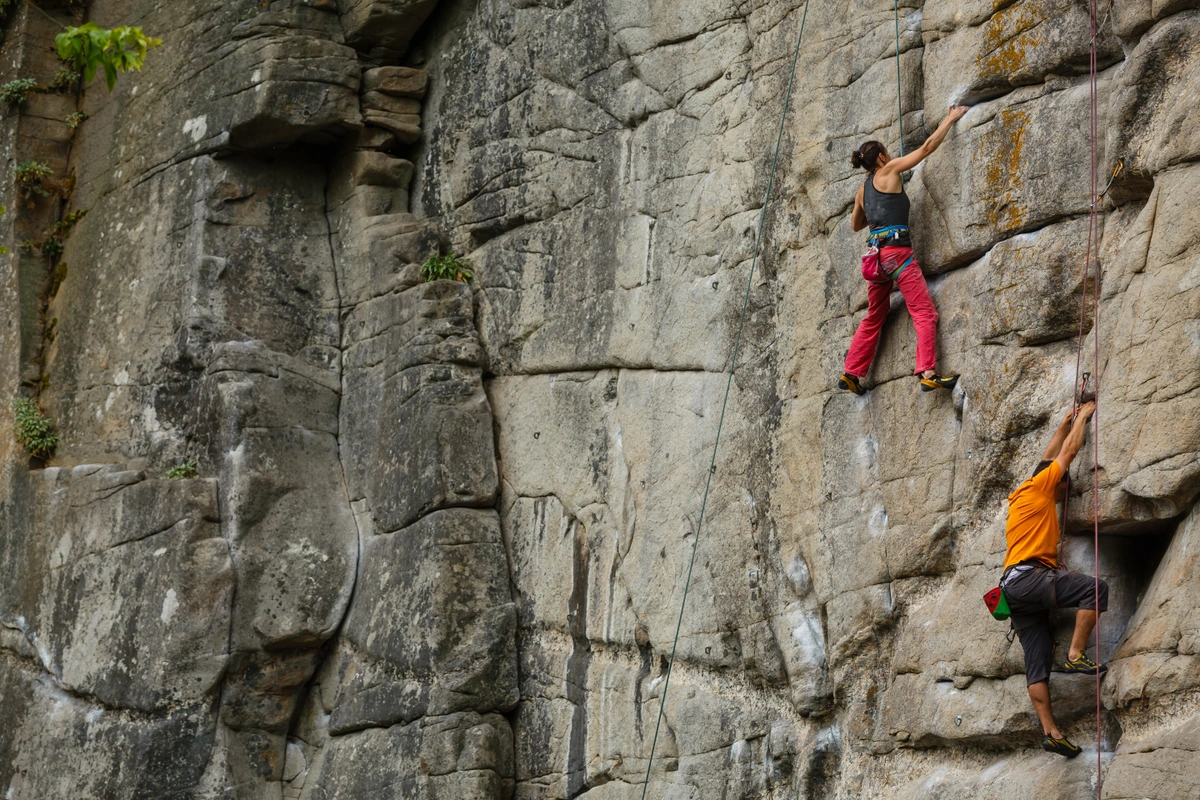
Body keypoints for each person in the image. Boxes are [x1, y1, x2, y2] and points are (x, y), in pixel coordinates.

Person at [837, 105, 969, 395]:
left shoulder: (862, 190)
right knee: (924, 312)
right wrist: (949, 119)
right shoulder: (891, 168)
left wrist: (871, 207)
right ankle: (928, 372)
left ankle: (851, 372)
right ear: (882, 157)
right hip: (897, 255)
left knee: (875, 313)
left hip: (874, 261)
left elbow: (856, 225)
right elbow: (926, 148)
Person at [1000, 401, 1107, 758]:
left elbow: (1048, 455)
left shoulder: (1021, 494)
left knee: (1036, 660)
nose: (1062, 499)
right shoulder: (1042, 488)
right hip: (1030, 578)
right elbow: (1068, 453)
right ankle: (1077, 654)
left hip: (1012, 589)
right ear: (1053, 484)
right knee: (1096, 588)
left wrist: (1063, 422)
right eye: (1063, 491)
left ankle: (1051, 732)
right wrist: (1085, 417)